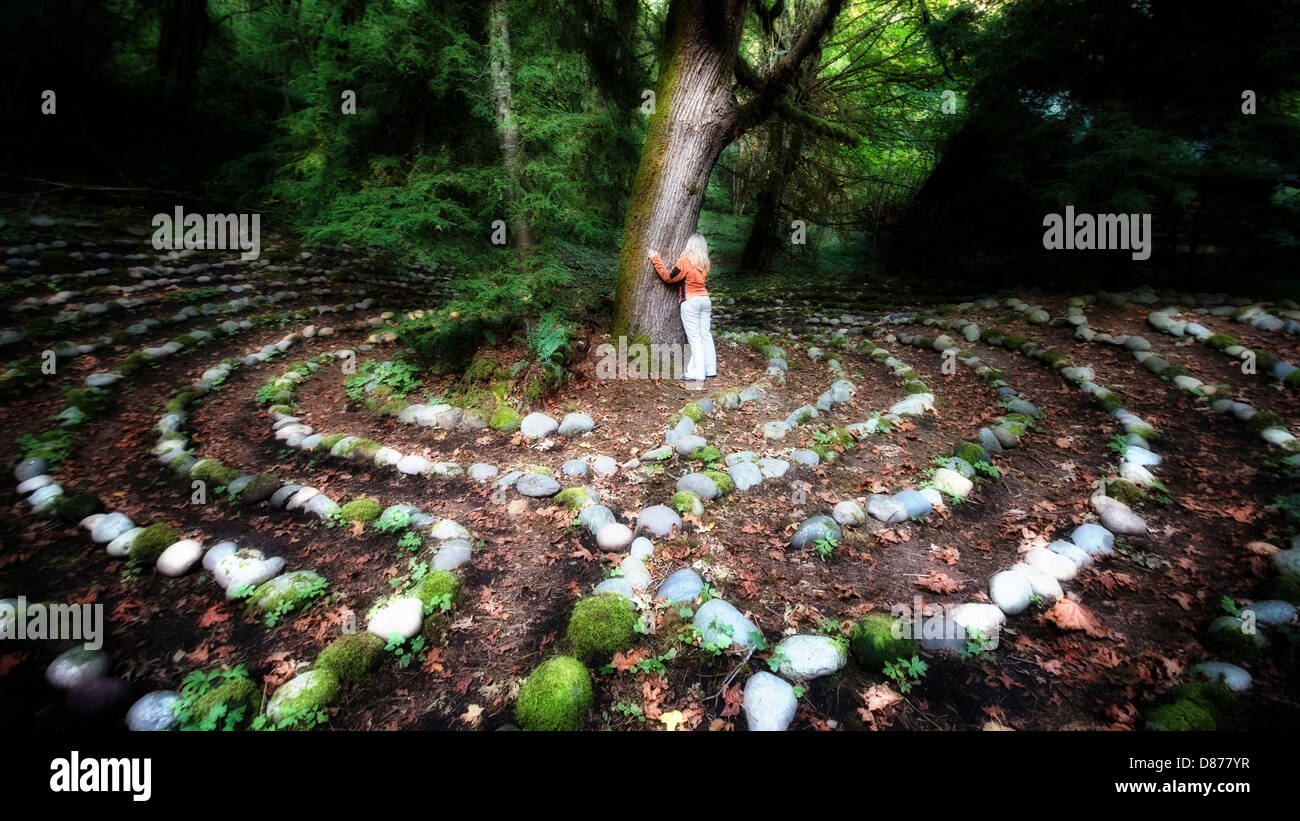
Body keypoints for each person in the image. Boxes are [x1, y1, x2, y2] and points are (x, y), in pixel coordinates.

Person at [647, 233, 717, 381]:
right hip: (705, 300)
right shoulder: (705, 262)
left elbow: (669, 277)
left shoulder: (686, 260)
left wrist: (656, 260)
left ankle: (697, 374)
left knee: (695, 338)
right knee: (705, 334)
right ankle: (710, 369)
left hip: (690, 301)